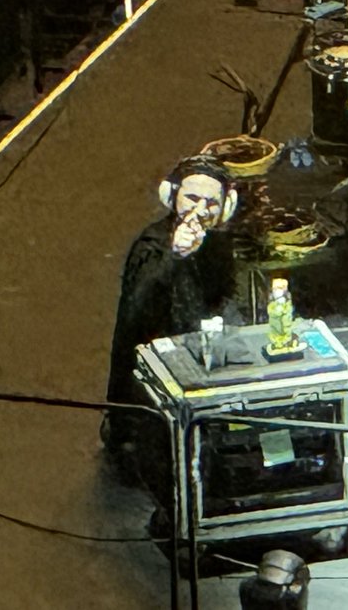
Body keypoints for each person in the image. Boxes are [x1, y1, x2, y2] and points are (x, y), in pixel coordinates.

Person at [102, 154, 239, 465]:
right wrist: (174, 257)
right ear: (172, 195)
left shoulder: (218, 246)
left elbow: (226, 298)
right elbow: (136, 312)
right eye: (192, 198)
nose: (200, 210)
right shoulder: (150, 246)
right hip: (150, 380)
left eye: (211, 203)